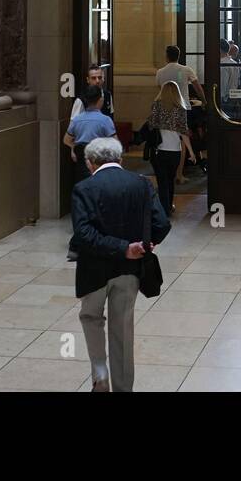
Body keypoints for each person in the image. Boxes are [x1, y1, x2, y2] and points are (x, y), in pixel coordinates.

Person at [71, 136, 170, 392]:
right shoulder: (141, 184)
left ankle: (100, 377)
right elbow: (162, 224)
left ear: (91, 163)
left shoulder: (84, 188)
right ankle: (124, 388)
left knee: (91, 318)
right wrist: (141, 246)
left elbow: (84, 234)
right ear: (120, 159)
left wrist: (120, 249)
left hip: (94, 271)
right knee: (122, 329)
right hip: (130, 270)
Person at [146, 80, 195, 213]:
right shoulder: (180, 109)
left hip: (159, 150)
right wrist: (191, 151)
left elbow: (150, 125)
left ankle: (164, 208)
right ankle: (169, 205)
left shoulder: (156, 106)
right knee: (170, 180)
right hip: (175, 150)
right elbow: (184, 132)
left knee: (162, 182)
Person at [64, 85, 116, 185]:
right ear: (100, 100)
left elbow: (66, 140)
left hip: (81, 162)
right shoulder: (105, 120)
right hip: (100, 160)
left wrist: (74, 147)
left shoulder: (76, 120)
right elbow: (115, 142)